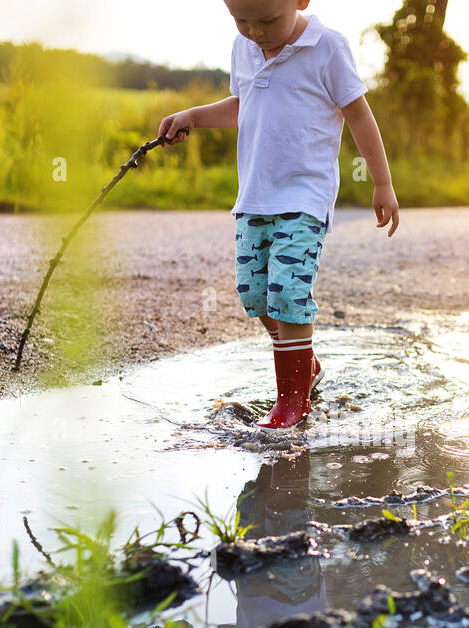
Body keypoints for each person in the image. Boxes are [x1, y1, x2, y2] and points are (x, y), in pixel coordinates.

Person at [158, 0, 400, 428]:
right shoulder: (244, 46)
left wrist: (381, 182)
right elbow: (243, 103)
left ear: (301, 1)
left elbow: (359, 115)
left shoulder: (327, 47)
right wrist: (193, 115)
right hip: (254, 195)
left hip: (304, 196)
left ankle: (292, 402)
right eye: (241, 20)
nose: (255, 31)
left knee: (287, 292)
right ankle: (305, 365)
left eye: (268, 20)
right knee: (254, 294)